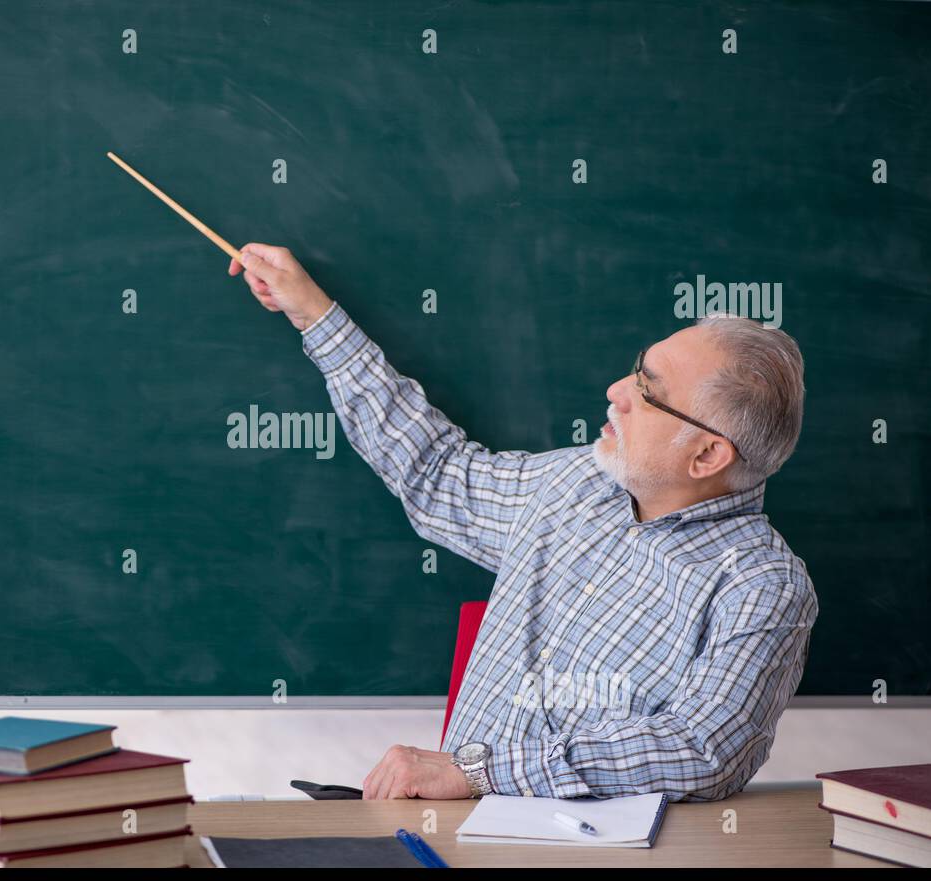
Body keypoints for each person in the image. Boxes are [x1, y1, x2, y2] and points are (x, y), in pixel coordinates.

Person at [229, 242, 817, 802]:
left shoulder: (762, 586)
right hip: (456, 838)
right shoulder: (572, 486)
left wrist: (479, 771)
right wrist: (315, 316)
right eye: (634, 371)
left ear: (708, 456)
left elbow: (703, 750)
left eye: (648, 392)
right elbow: (436, 474)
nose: (615, 393)